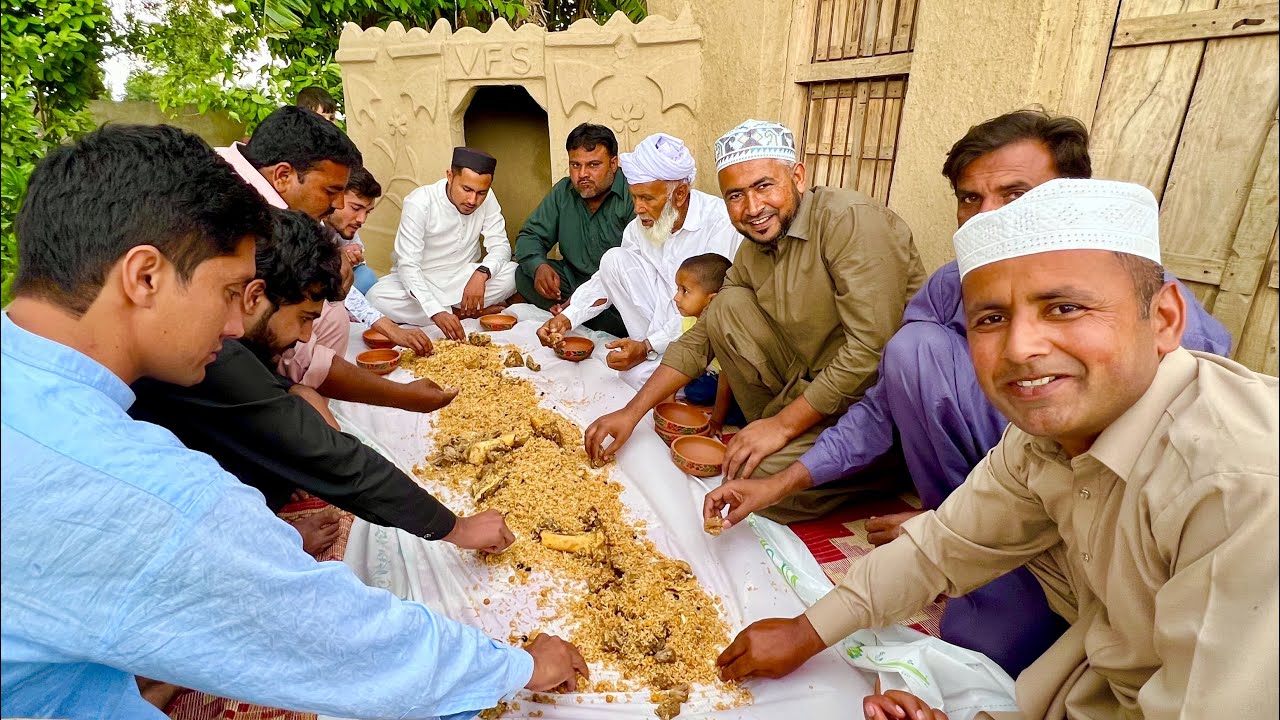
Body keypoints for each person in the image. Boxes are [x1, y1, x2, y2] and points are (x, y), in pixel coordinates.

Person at [0, 124, 588, 719]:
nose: (235, 326)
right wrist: (515, 667)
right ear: (144, 276)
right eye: (230, 292)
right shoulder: (147, 491)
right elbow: (338, 640)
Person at [714, 177, 1279, 720]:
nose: (1021, 347)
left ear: (1164, 319)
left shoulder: (1238, 487)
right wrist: (803, 632)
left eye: (1065, 308)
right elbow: (939, 546)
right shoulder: (1043, 438)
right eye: (991, 318)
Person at [585, 119, 925, 521]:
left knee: (758, 478)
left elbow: (871, 350)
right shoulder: (756, 248)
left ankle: (883, 468)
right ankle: (782, 438)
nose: (752, 208)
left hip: (876, 407)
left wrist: (782, 426)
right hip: (810, 386)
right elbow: (704, 335)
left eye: (764, 186)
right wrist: (632, 411)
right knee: (725, 307)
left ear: (797, 176)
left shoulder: (850, 222)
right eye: (735, 195)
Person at [129, 207, 477, 544]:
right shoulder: (215, 352)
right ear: (254, 296)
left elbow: (270, 387)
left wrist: (295, 389)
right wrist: (455, 529)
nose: (307, 336)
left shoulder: (225, 339)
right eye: (304, 318)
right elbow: (337, 462)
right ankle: (267, 536)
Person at [535, 132, 740, 388]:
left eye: (647, 198)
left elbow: (713, 311)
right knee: (613, 260)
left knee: (633, 375)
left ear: (679, 195)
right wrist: (567, 317)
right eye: (634, 197)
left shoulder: (720, 224)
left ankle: (669, 370)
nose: (638, 208)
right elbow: (606, 280)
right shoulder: (638, 227)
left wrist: (646, 347)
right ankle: (658, 367)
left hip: (700, 341)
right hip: (655, 333)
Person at [366, 147, 517, 340]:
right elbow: (408, 266)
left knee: (514, 272)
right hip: (423, 279)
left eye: (481, 193)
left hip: (465, 279)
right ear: (450, 176)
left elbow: (500, 246)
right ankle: (462, 313)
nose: (473, 200)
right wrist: (435, 310)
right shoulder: (420, 202)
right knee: (376, 298)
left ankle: (457, 310)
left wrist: (482, 273)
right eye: (466, 189)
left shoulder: (487, 199)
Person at [514, 123, 633, 338]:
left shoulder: (631, 194)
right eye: (575, 165)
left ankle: (575, 314)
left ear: (613, 164)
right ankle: (573, 312)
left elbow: (638, 265)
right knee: (524, 273)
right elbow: (530, 236)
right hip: (573, 280)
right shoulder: (564, 191)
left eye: (593, 165)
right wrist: (539, 266)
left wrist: (586, 300)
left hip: (615, 291)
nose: (583, 174)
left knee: (628, 313)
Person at [673, 253, 745, 434]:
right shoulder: (689, 320)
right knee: (693, 390)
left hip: (736, 382)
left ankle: (724, 413)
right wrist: (669, 400)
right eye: (677, 289)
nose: (676, 298)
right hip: (712, 375)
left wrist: (716, 421)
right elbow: (685, 361)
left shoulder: (724, 328)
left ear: (711, 300)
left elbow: (726, 380)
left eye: (685, 291)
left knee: (740, 409)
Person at [326, 164, 382, 294]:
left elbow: (359, 261)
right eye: (356, 208)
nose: (362, 219)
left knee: (366, 277)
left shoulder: (344, 228)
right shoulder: (308, 225)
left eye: (367, 212)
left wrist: (352, 258)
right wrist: (335, 258)